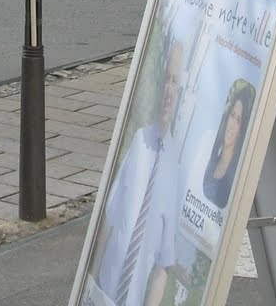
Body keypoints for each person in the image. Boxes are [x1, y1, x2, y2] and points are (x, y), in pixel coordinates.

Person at [90, 44, 187, 306]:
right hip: (103, 292)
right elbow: (108, 219)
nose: (169, 90)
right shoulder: (140, 139)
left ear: (182, 92)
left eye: (175, 81)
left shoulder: (177, 169)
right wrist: (89, 282)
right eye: (166, 79)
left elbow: (162, 267)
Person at [200, 80, 256, 210]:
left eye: (238, 120)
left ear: (241, 131)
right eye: (232, 115)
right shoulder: (211, 158)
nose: (232, 125)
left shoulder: (236, 175)